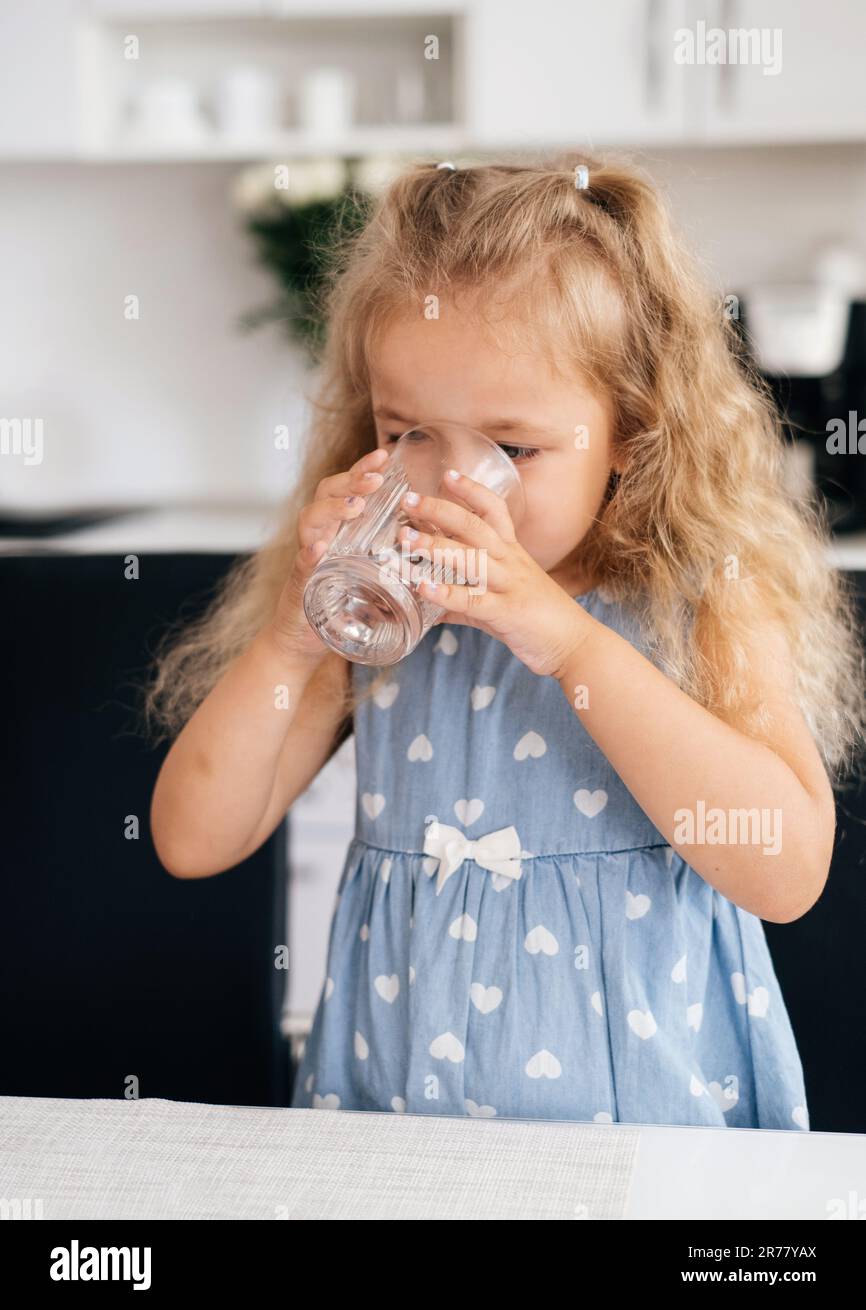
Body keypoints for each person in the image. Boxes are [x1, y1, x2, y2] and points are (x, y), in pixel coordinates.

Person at [147, 153, 865, 1128]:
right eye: (405, 433)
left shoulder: (699, 597)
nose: (451, 487)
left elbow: (783, 872)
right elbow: (192, 839)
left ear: (632, 428)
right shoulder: (384, 613)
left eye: (512, 448)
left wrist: (568, 644)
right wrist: (290, 635)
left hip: (642, 1134)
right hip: (397, 1123)